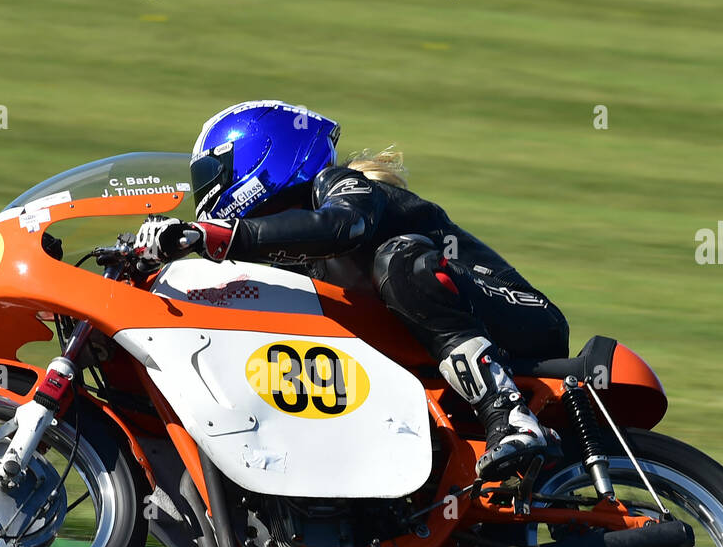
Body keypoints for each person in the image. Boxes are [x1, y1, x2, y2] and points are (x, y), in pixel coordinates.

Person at [133, 100, 570, 482]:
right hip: (431, 359)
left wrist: (217, 235)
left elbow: (342, 227)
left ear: (262, 153)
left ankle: (510, 415)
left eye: (212, 173)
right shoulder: (288, 256)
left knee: (401, 262)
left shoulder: (344, 187)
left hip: (519, 313)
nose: (207, 193)